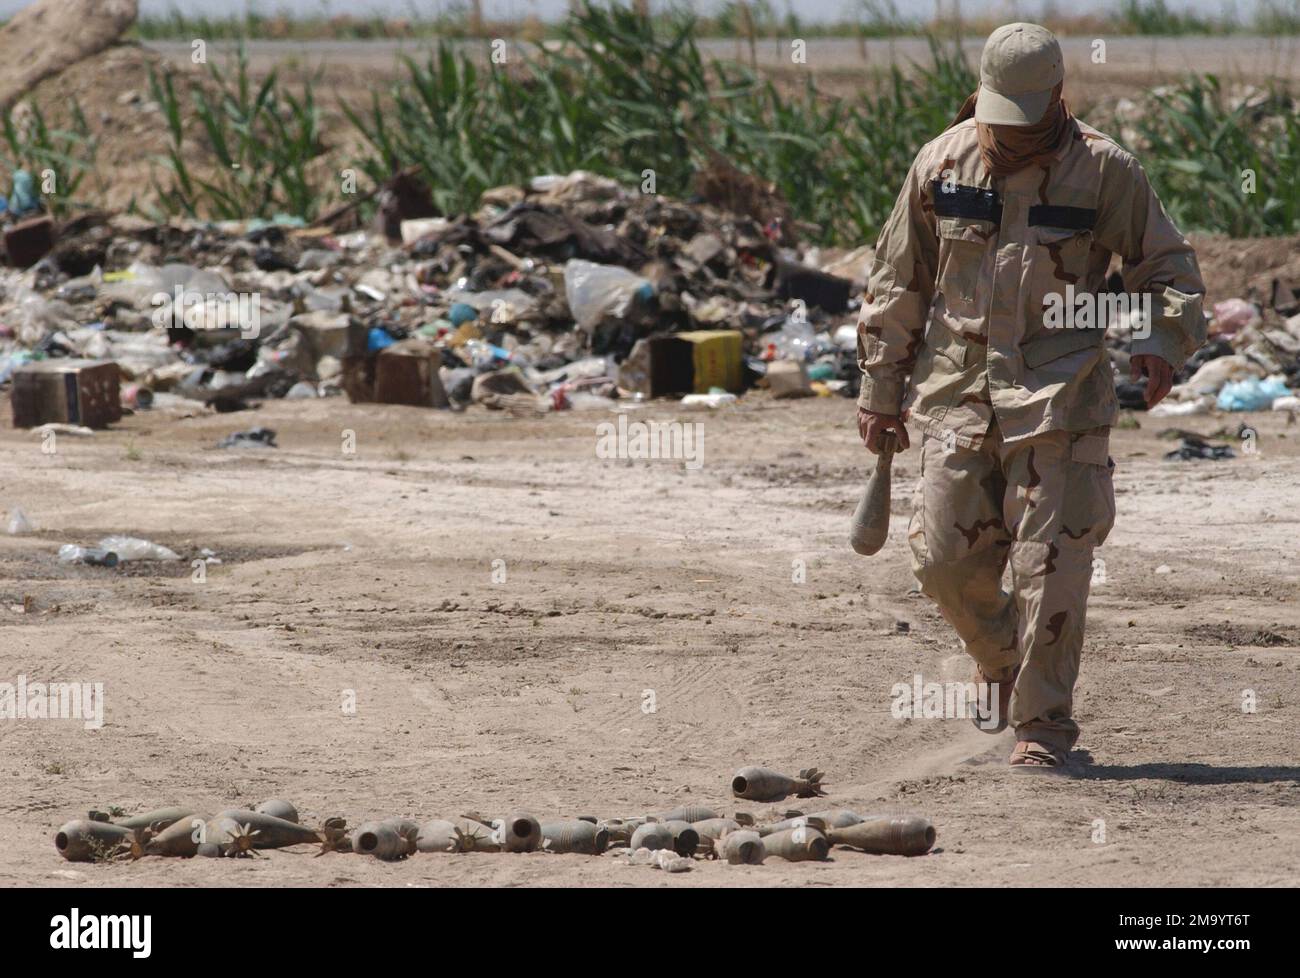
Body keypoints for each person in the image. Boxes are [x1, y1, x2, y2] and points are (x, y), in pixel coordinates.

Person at [856, 23, 1206, 768]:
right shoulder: (940, 163)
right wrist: (880, 389)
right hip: (958, 393)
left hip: (1064, 394)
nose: (1006, 136)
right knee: (945, 559)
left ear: (1056, 98)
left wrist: (1158, 342)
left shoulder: (1105, 170)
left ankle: (1043, 728)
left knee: (1054, 562)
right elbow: (897, 282)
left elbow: (1168, 269)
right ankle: (1000, 665)